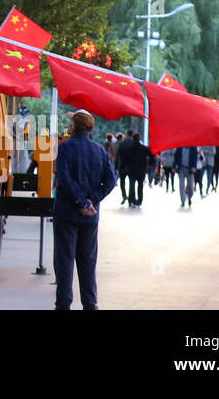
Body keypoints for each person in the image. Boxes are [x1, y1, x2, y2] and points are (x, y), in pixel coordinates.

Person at [52, 110, 117, 310]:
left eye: (71, 122)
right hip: (90, 218)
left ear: (74, 127)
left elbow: (64, 178)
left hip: (66, 213)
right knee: (88, 262)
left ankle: (63, 304)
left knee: (65, 261)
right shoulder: (100, 151)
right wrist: (91, 201)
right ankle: (90, 304)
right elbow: (111, 180)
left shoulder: (64, 149)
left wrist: (81, 202)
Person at [123, 130, 151, 209]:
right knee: (140, 185)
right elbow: (151, 155)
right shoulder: (144, 148)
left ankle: (131, 200)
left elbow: (125, 160)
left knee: (132, 185)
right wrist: (149, 164)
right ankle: (139, 200)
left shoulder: (129, 149)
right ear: (139, 139)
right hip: (141, 170)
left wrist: (124, 167)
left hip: (131, 170)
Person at [115, 132, 133, 205]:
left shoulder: (122, 144)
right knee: (132, 183)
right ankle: (131, 199)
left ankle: (124, 195)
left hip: (122, 166)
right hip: (131, 166)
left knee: (122, 182)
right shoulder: (133, 143)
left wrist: (116, 166)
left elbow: (117, 155)